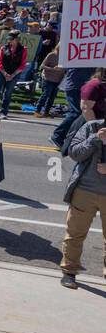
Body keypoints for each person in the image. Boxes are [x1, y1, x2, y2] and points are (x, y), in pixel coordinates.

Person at [58, 102, 106, 289]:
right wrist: (95, 139)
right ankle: (69, 272)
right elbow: (74, 153)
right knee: (75, 234)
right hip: (85, 191)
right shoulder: (92, 127)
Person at [0, 30, 27, 119]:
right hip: (2, 73)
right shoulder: (3, 48)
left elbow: (22, 65)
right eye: (9, 39)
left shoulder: (23, 50)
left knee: (8, 94)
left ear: (17, 39)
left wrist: (12, 75)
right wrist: (5, 73)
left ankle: (3, 112)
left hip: (14, 74)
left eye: (11, 39)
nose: (9, 41)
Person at [33, 46, 64, 118]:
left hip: (58, 80)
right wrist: (53, 69)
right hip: (48, 78)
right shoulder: (52, 55)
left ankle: (46, 112)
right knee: (46, 94)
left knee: (52, 97)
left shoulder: (65, 58)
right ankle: (37, 110)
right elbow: (42, 66)